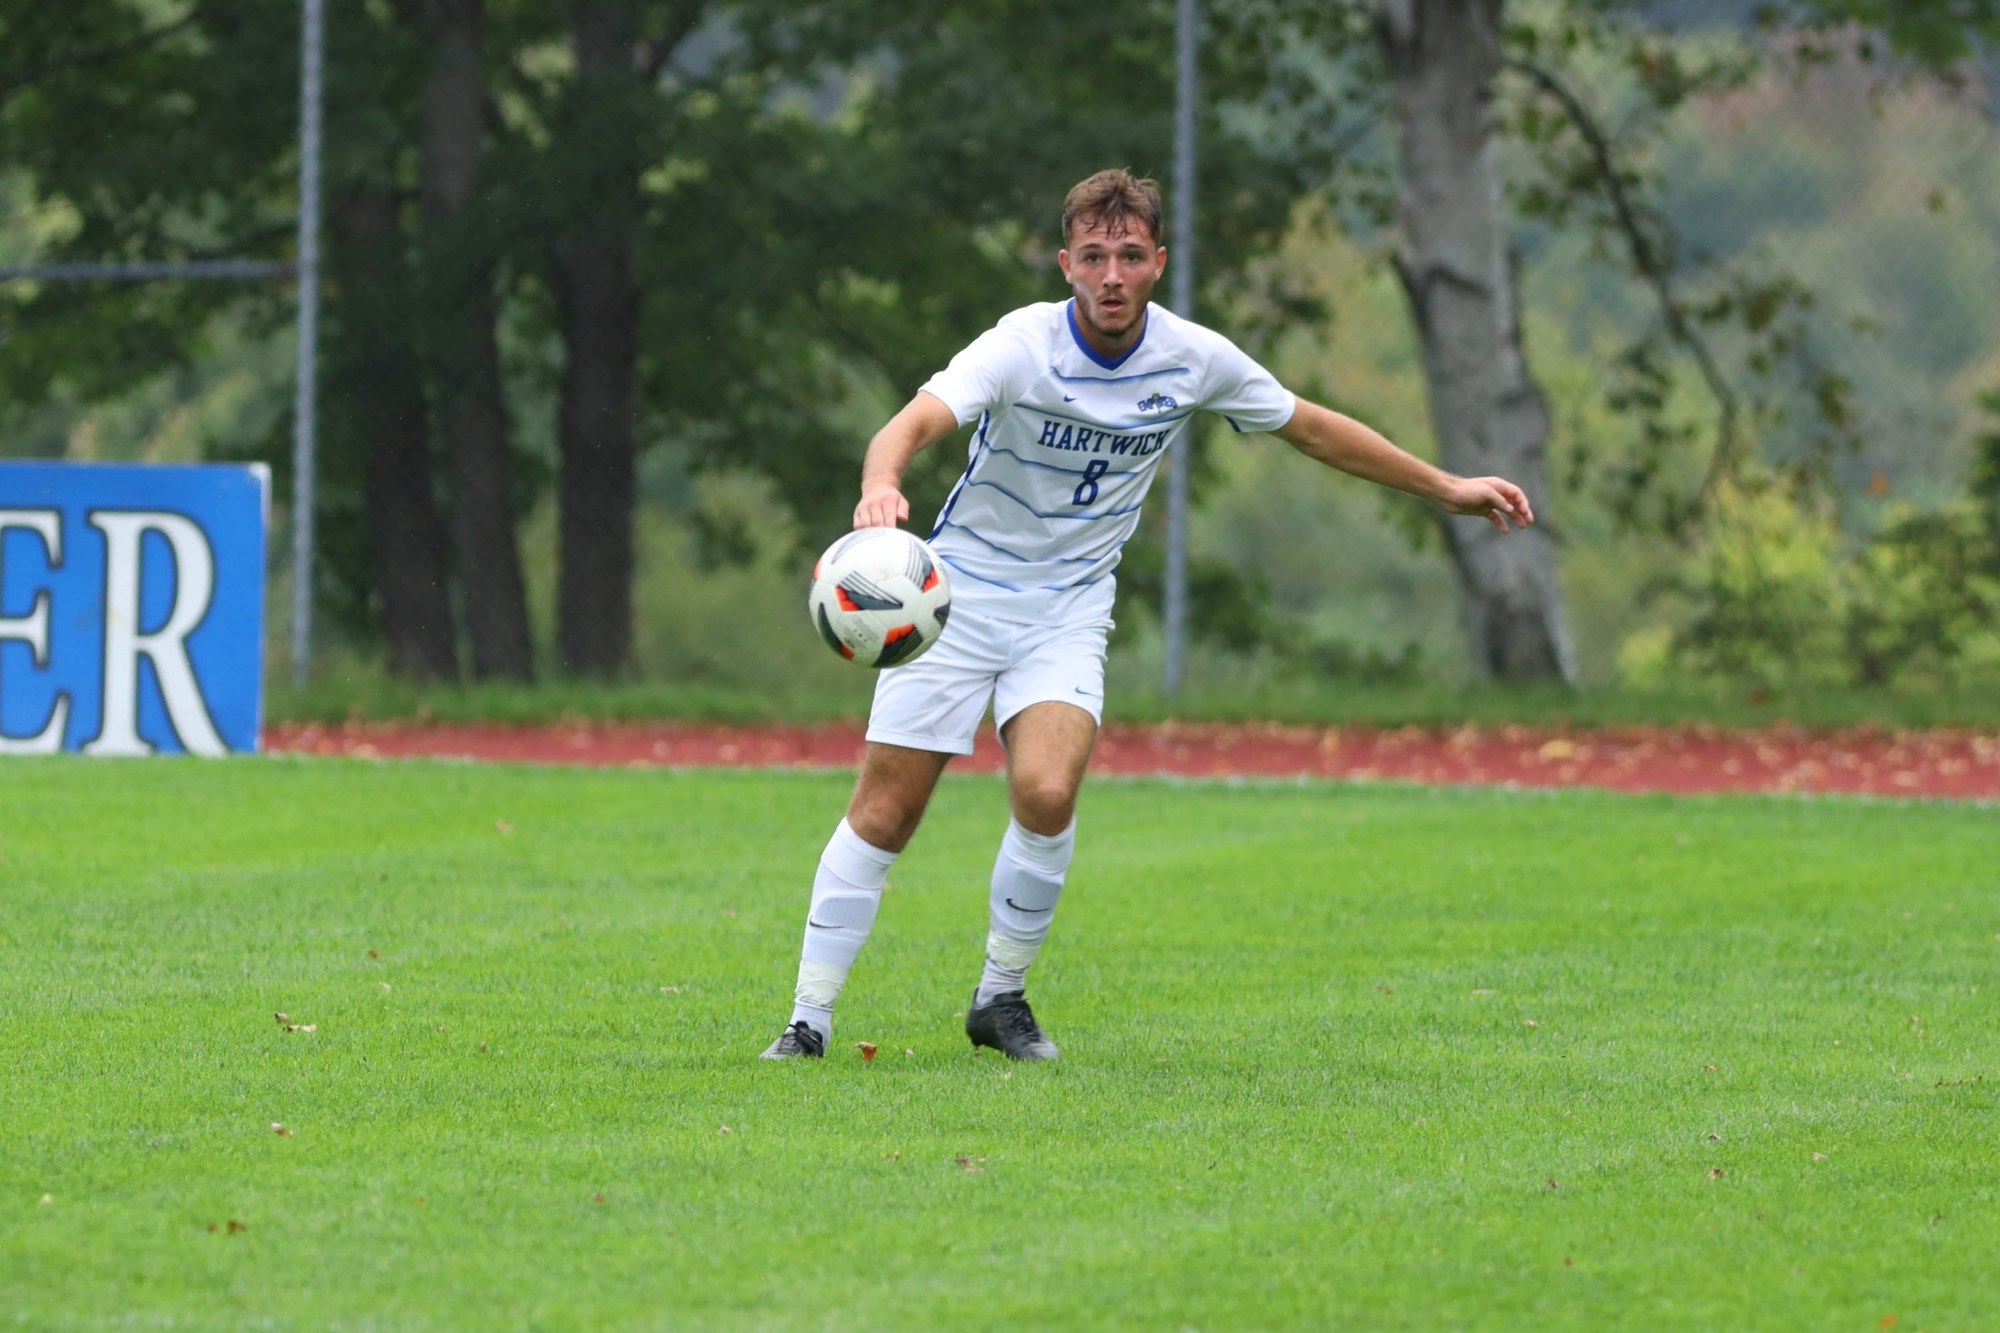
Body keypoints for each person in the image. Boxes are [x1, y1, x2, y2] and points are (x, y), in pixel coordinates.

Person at [761, 168, 1534, 1062]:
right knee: (888, 811)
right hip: (956, 600)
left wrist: (1448, 488)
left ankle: (999, 1000)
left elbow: (1312, 427)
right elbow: (906, 426)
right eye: (1094, 257)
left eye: (1131, 256)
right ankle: (807, 1020)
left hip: (1067, 611)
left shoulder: (1193, 357)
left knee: (1047, 792)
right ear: (1066, 265)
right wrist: (880, 485)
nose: (1113, 275)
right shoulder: (1021, 345)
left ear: (1158, 263)